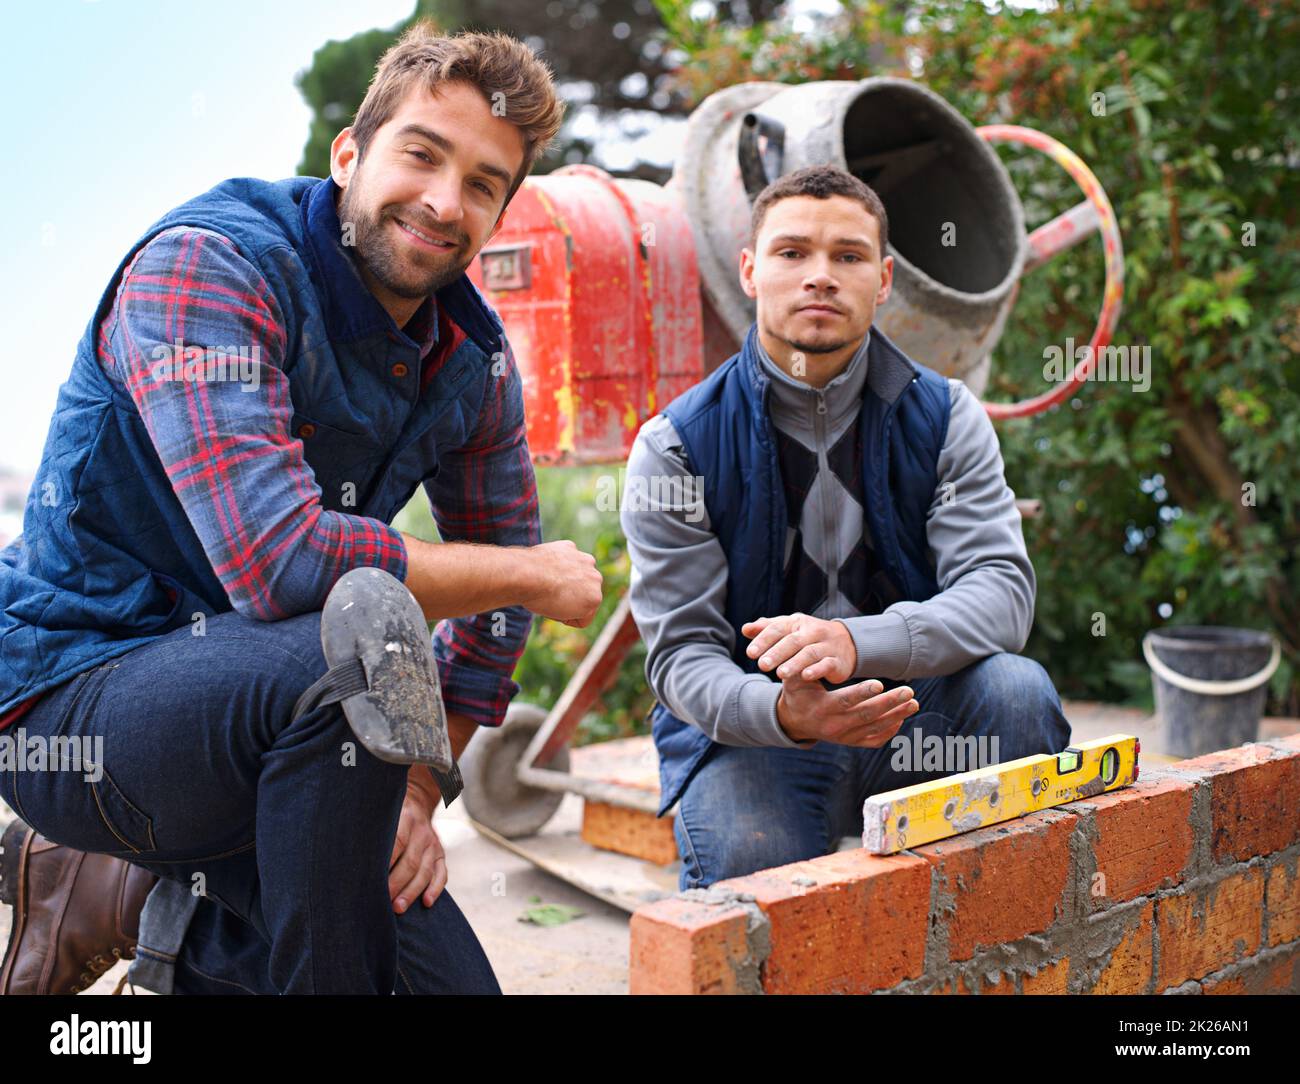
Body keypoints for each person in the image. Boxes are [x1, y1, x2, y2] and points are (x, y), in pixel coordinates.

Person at [0, 23, 601, 995]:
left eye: (484, 183)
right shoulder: (211, 265)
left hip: (277, 726)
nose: (446, 201)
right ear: (349, 154)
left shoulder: (472, 359)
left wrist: (413, 784)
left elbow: (494, 613)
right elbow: (280, 564)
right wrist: (528, 571)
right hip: (75, 706)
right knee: (350, 646)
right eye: (421, 154)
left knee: (448, 988)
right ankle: (100, 848)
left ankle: (126, 899)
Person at [620, 164, 1071, 890]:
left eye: (849, 256)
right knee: (746, 875)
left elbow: (1001, 595)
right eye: (793, 253)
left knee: (1016, 693)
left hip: (912, 714)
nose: (820, 276)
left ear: (885, 278)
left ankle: (1000, 934)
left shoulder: (949, 416)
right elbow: (681, 657)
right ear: (750, 271)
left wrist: (857, 641)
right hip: (758, 735)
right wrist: (785, 712)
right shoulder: (676, 445)